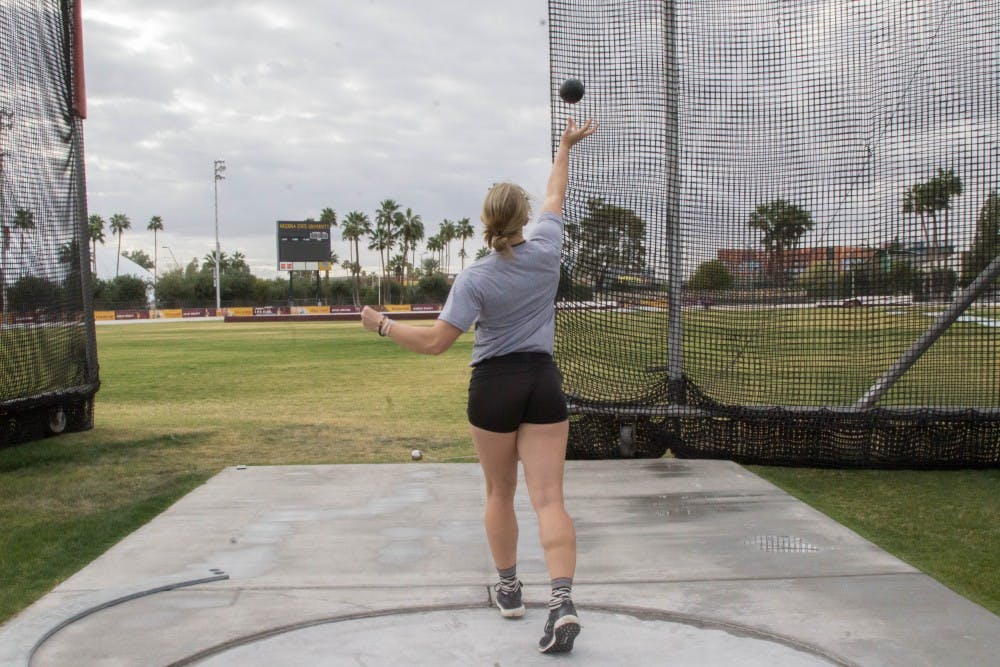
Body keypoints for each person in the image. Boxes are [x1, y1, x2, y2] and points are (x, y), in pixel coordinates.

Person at [361, 116, 598, 654]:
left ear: (487, 223)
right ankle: (562, 601)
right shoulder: (548, 246)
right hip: (542, 381)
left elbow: (433, 343)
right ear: (522, 219)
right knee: (549, 499)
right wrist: (564, 147)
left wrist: (379, 324)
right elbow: (556, 192)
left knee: (499, 491)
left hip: (493, 384)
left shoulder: (476, 277)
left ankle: (510, 592)